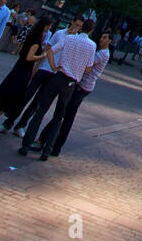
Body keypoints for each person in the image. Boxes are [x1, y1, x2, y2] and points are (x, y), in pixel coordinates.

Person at [17, 18, 97, 160]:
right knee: (58, 116)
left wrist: (54, 66)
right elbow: (89, 67)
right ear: (91, 30)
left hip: (59, 75)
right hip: (71, 82)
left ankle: (25, 145)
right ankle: (47, 151)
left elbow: (51, 51)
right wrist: (80, 68)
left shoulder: (70, 38)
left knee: (41, 110)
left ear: (82, 27)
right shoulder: (91, 46)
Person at [0, 16, 54, 137]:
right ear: (45, 26)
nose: (49, 28)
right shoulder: (36, 39)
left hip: (18, 69)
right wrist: (42, 55)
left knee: (4, 98)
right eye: (48, 26)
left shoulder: (31, 35)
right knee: (8, 100)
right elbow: (29, 57)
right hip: (23, 72)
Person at [38, 30, 112, 156]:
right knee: (66, 114)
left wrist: (73, 58)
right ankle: (52, 144)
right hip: (84, 85)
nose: (101, 39)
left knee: (64, 113)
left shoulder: (102, 54)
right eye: (101, 37)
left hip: (82, 86)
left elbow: (87, 65)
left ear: (110, 41)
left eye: (105, 38)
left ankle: (47, 141)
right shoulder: (101, 52)